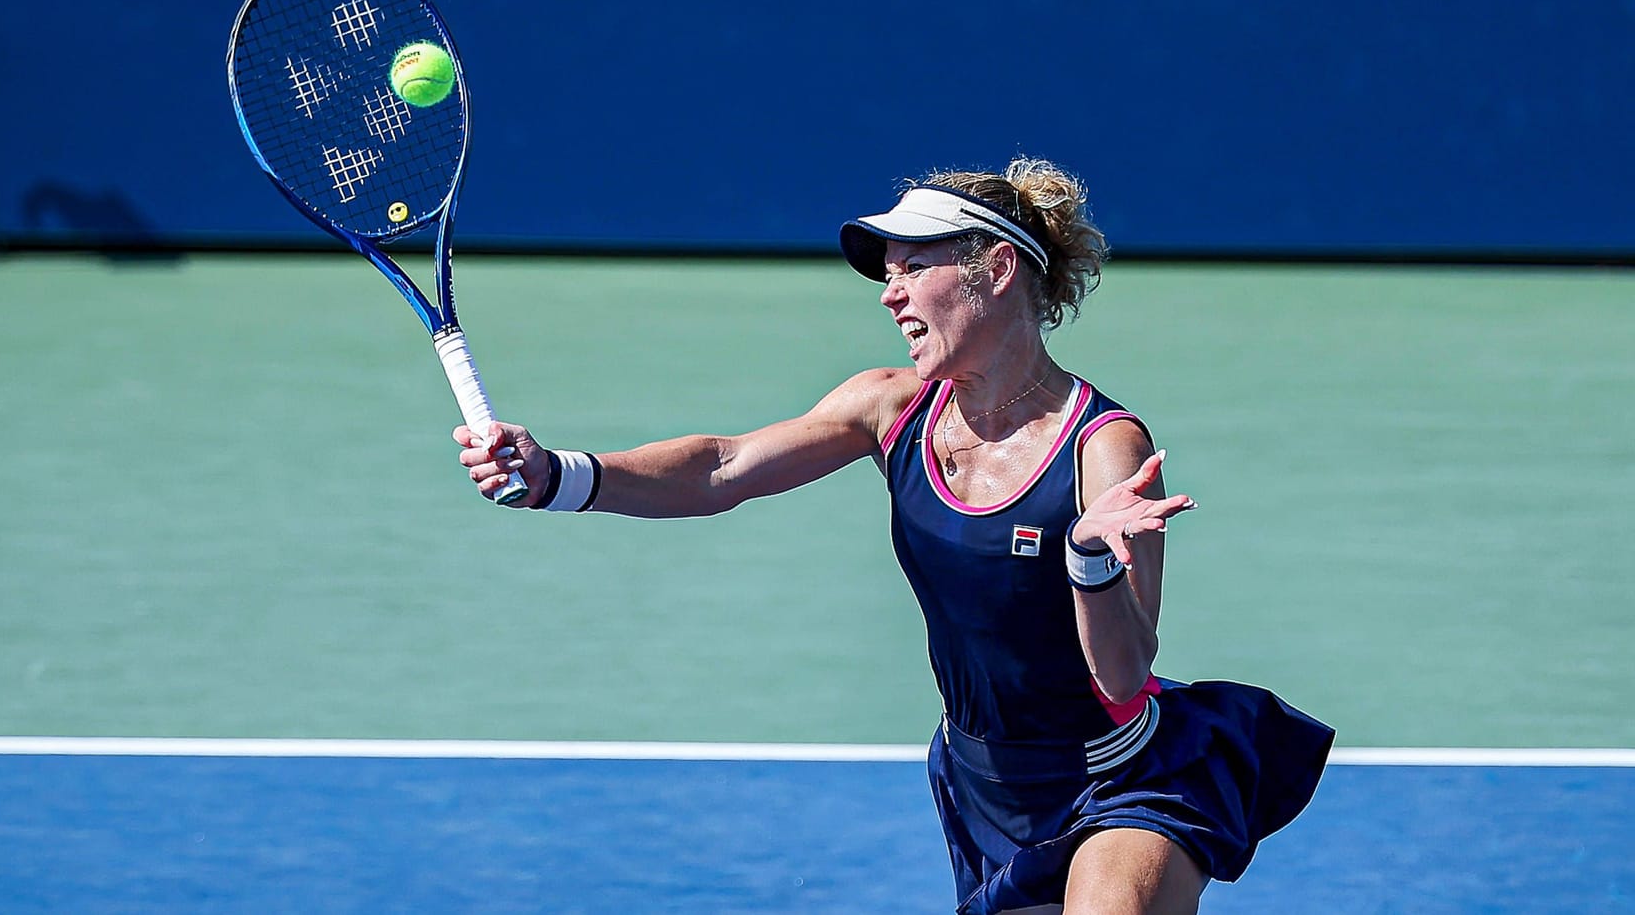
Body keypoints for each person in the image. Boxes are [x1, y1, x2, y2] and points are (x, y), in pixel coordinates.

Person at [454, 157, 1334, 914]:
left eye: (914, 267)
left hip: (1122, 773)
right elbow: (722, 467)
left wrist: (1090, 557)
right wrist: (559, 477)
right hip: (988, 783)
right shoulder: (890, 407)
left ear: (994, 269)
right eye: (888, 272)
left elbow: (1122, 675)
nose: (891, 294)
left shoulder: (1105, 449)